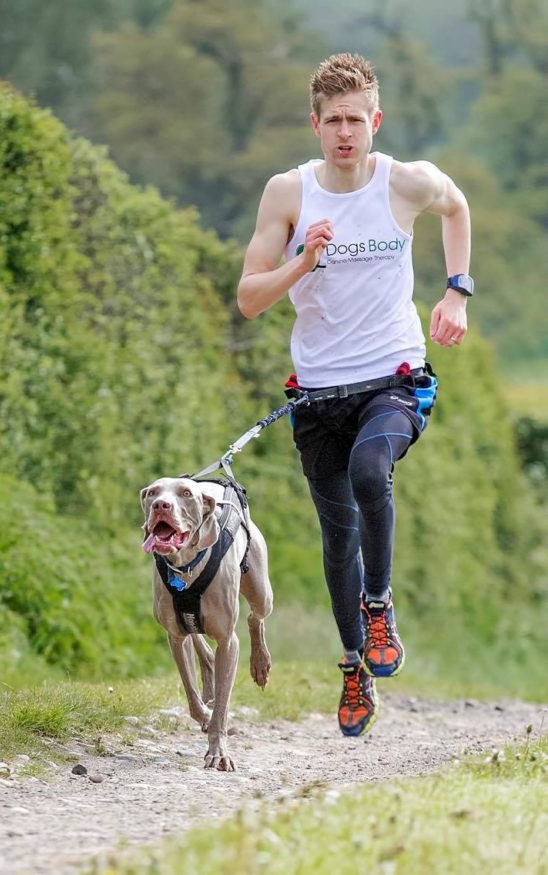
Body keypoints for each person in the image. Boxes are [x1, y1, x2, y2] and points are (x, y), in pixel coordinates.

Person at [237, 53, 472, 737]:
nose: (345, 132)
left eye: (356, 119)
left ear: (376, 120)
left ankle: (380, 605)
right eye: (332, 120)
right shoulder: (287, 194)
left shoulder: (405, 183)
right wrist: (300, 262)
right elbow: (250, 298)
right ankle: (353, 666)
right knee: (338, 540)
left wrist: (456, 289)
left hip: (392, 378)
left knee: (374, 470)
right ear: (314, 124)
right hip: (317, 394)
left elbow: (457, 207)